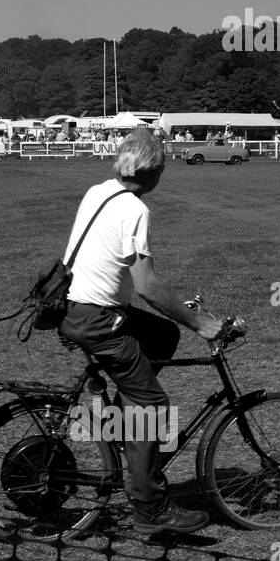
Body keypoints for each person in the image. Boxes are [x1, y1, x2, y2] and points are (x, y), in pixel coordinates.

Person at [57, 127, 225, 534]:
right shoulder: (134, 208)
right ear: (152, 172)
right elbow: (147, 284)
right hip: (98, 319)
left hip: (74, 306)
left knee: (164, 336)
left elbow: (112, 266)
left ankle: (122, 426)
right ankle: (149, 507)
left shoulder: (98, 191)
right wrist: (203, 324)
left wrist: (178, 317)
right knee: (154, 407)